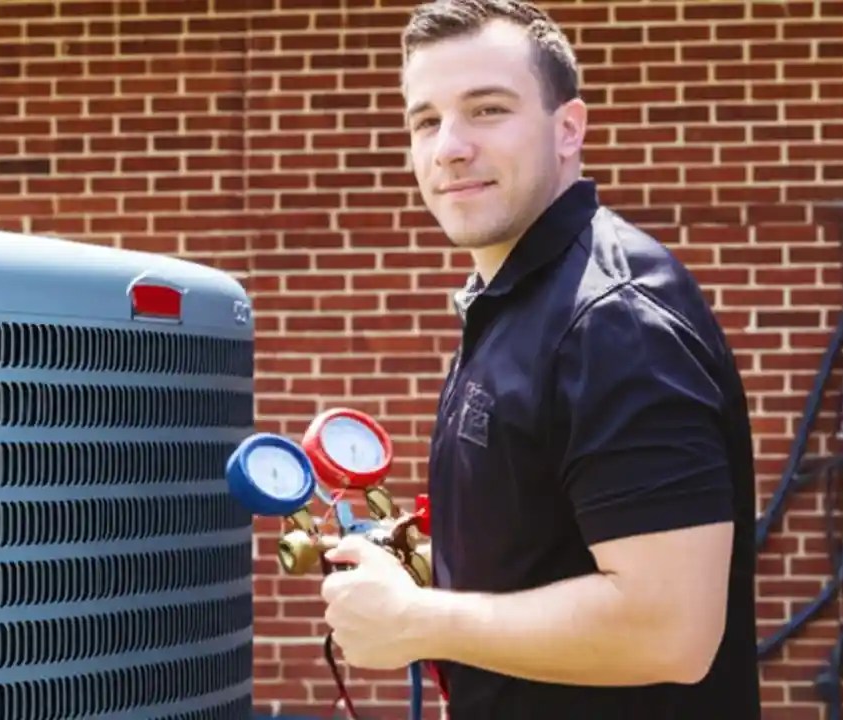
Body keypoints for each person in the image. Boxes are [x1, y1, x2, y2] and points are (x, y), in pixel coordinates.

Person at [318, 2, 762, 718]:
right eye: (425, 120)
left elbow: (670, 630)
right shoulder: (517, 303)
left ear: (568, 129)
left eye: (487, 109)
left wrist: (417, 620)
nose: (449, 147)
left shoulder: (612, 321)